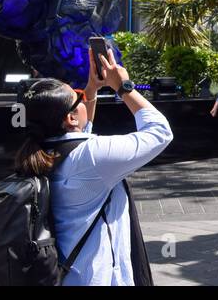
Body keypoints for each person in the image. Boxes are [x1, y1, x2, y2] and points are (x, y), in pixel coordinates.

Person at [14, 44, 172, 286]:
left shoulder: (44, 151)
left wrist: (91, 89)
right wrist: (123, 87)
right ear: (70, 118)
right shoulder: (92, 158)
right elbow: (160, 132)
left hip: (66, 275)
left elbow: (80, 136)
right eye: (78, 96)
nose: (83, 97)